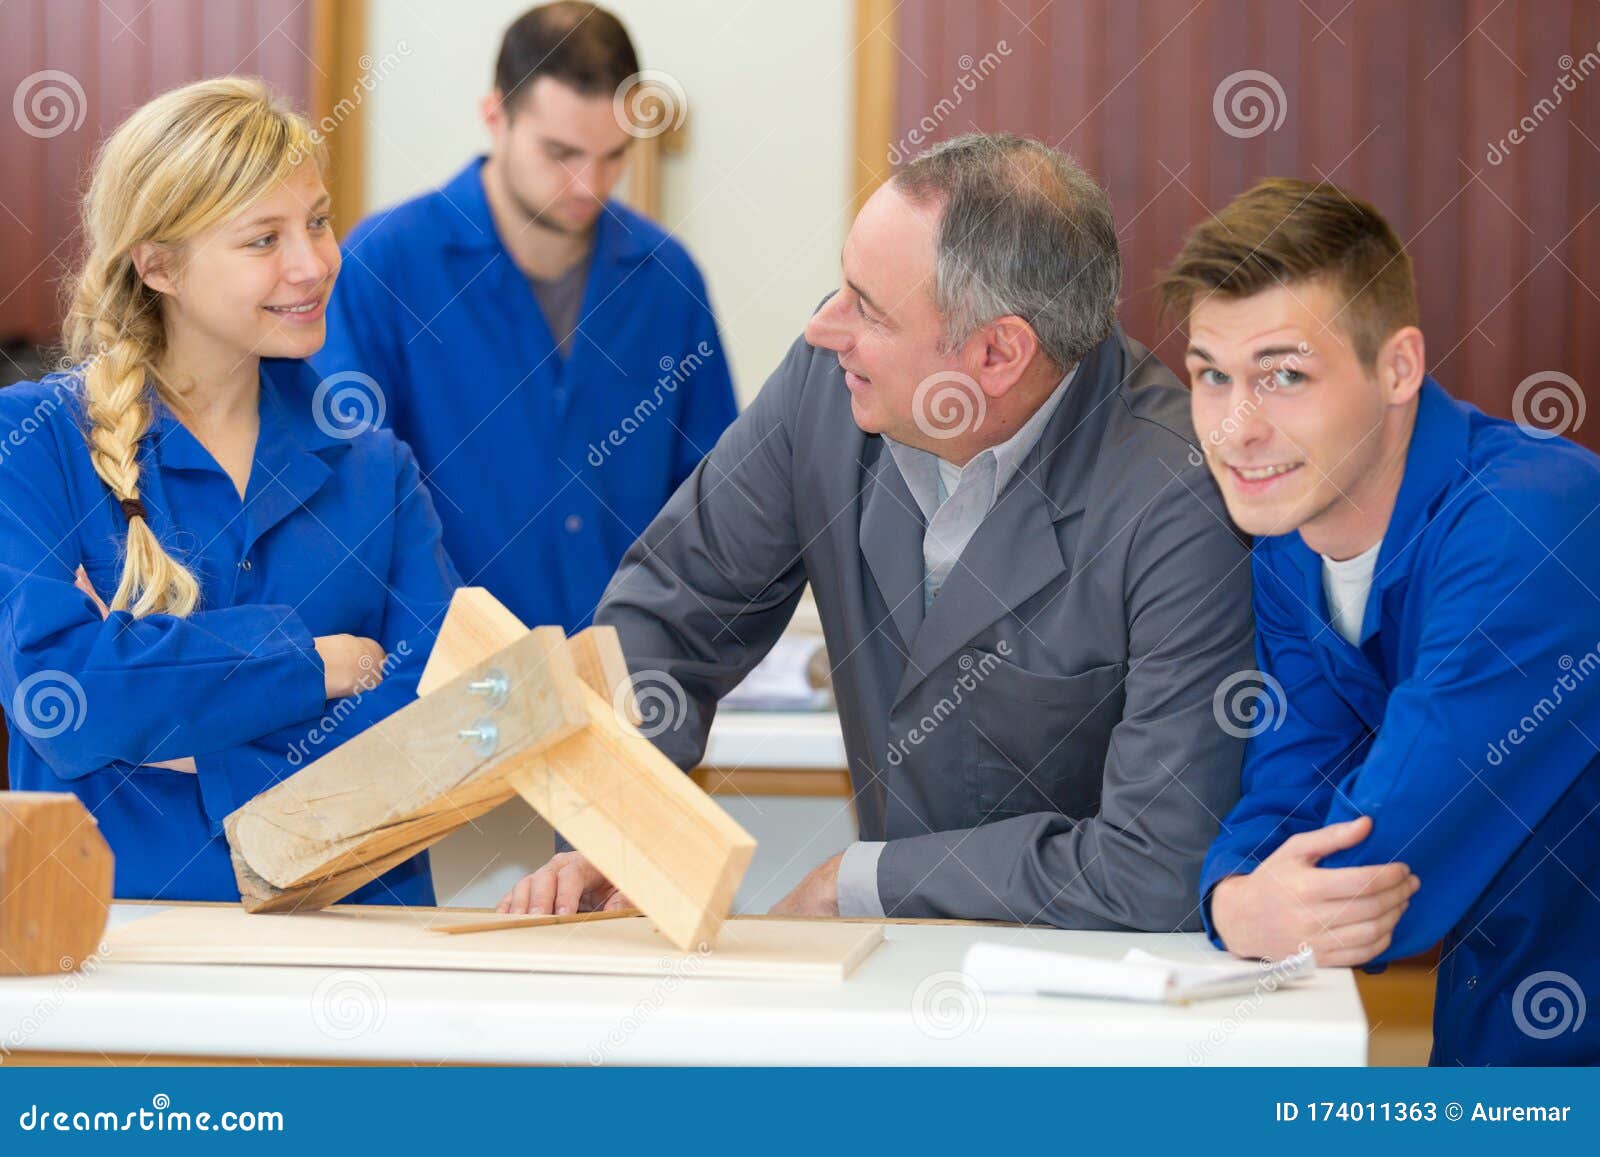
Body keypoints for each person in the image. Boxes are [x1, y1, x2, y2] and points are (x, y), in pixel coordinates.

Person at [497, 133, 1254, 928]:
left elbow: (1156, 862)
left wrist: (860, 881)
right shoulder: (827, 387)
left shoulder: (1182, 499)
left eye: (870, 308)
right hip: (894, 985)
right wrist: (617, 823)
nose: (825, 327)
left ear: (998, 352)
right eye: (841, 287)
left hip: (1092, 994)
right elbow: (668, 613)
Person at [1165, 178, 1600, 1065]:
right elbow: (1283, 792)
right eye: (1213, 376)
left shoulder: (1536, 521)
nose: (1236, 428)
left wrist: (1248, 901)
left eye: (1284, 375)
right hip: (1509, 1039)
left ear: (1398, 368)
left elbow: (1377, 871)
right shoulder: (1290, 550)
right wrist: (1230, 900)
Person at [0, 77, 459, 904]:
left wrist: (181, 740)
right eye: (263, 239)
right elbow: (60, 698)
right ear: (159, 265)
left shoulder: (376, 467)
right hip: (120, 944)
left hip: (364, 944)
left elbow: (439, 736)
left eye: (317, 221)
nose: (313, 263)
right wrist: (311, 665)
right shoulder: (31, 444)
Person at [315, 1, 736, 633]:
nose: (589, 185)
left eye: (614, 155)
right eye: (562, 153)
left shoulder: (668, 280)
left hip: (625, 681)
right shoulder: (385, 266)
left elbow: (713, 504)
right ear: (495, 116)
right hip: (435, 687)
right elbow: (346, 503)